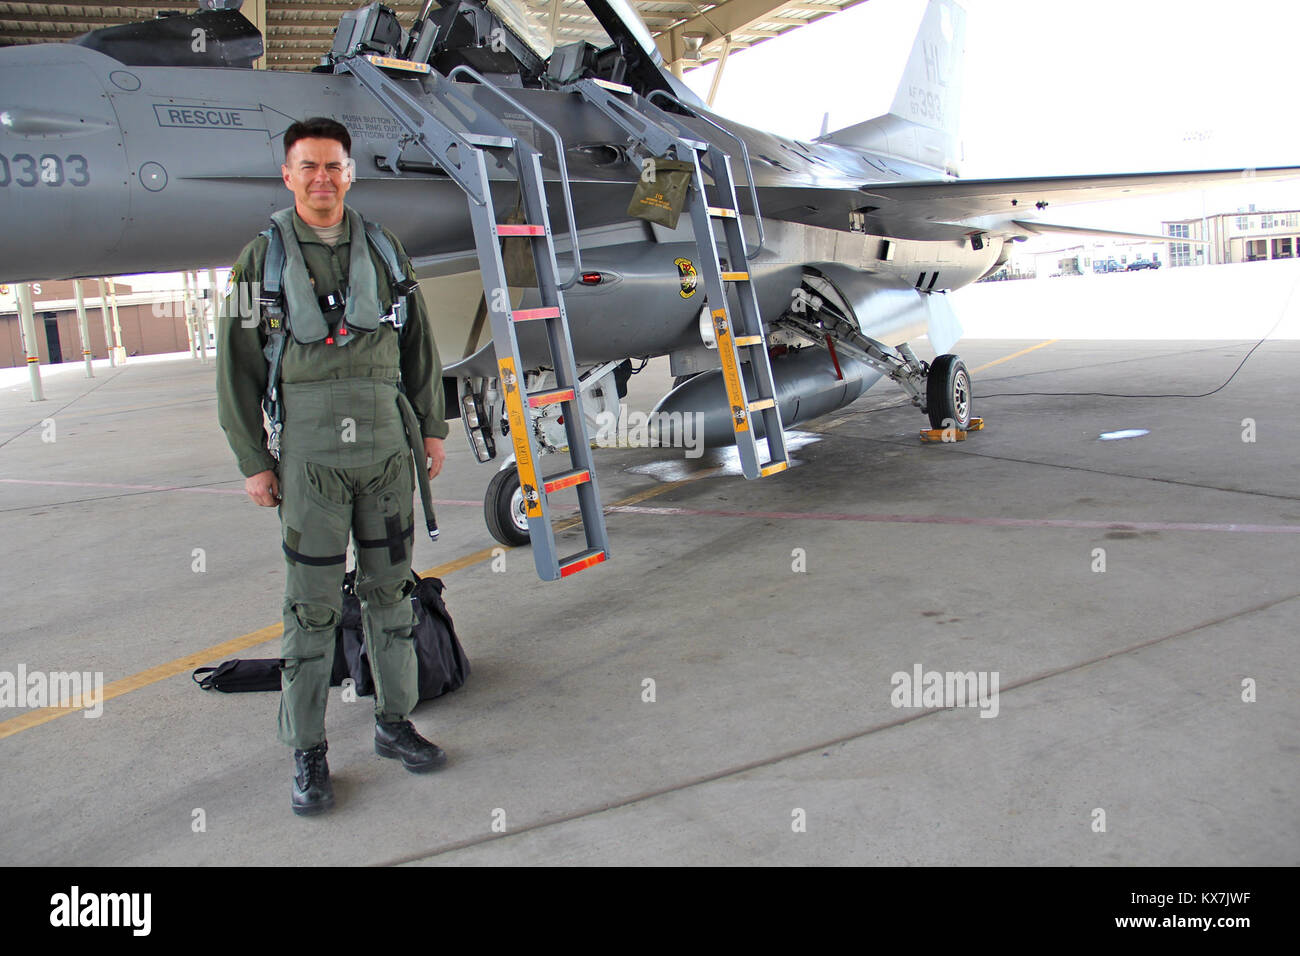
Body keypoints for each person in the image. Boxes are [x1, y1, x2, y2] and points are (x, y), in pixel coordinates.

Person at [216, 116, 449, 816]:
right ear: (287, 175)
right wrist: (254, 460)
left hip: (385, 452)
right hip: (312, 461)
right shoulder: (255, 263)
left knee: (390, 594)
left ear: (350, 173)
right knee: (311, 609)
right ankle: (308, 750)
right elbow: (234, 368)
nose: (323, 179)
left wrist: (432, 427)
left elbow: (420, 343)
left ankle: (393, 722)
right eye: (308, 167)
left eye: (334, 167)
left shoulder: (385, 249)